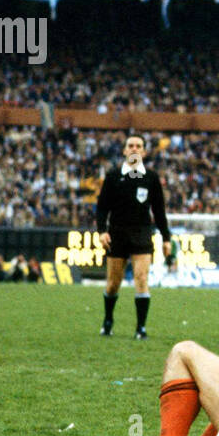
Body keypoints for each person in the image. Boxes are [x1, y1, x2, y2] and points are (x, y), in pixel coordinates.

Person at [96, 133, 172, 339]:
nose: (134, 149)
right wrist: (102, 231)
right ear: (124, 150)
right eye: (130, 145)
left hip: (141, 233)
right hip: (117, 233)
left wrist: (166, 238)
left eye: (139, 146)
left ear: (144, 152)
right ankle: (108, 320)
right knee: (113, 283)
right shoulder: (113, 176)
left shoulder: (151, 178)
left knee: (141, 278)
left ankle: (141, 328)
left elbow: (159, 210)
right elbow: (102, 208)